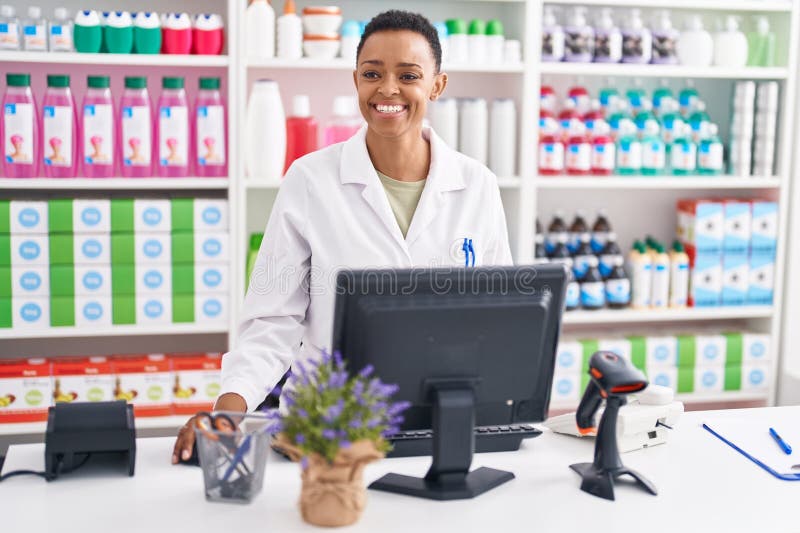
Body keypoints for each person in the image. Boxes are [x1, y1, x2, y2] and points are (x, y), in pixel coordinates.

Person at [172, 9, 512, 464]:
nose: (388, 89)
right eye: (373, 73)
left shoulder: (478, 186)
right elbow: (272, 319)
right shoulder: (310, 180)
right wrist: (227, 412)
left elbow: (500, 319)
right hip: (324, 432)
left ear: (437, 85)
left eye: (408, 75)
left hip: (440, 427)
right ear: (356, 80)